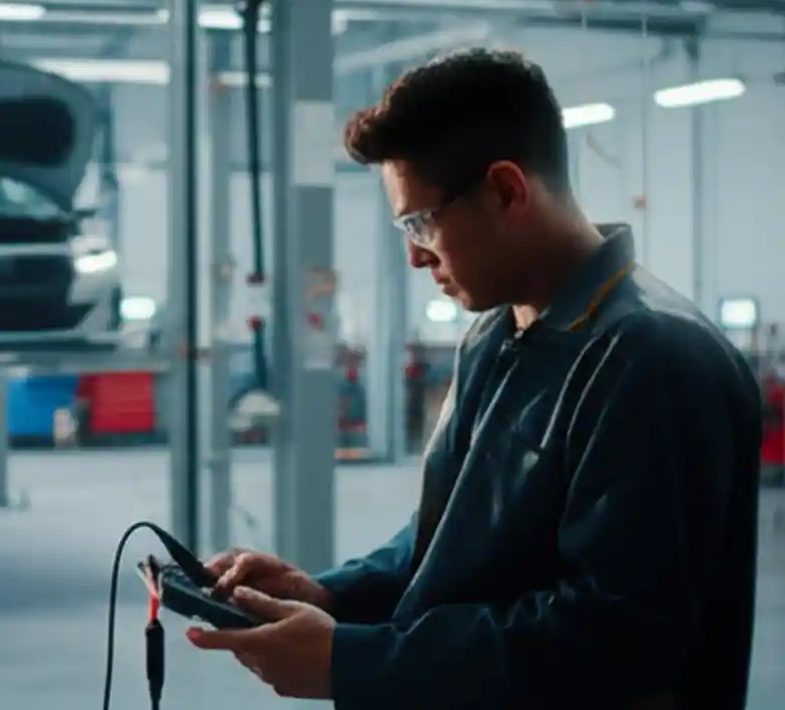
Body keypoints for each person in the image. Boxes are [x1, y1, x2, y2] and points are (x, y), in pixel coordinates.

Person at [187, 48, 764, 709]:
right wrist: (331, 596)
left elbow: (613, 640)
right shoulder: (496, 333)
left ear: (507, 190)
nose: (412, 255)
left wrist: (357, 660)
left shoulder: (652, 359)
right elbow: (447, 538)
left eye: (420, 222)